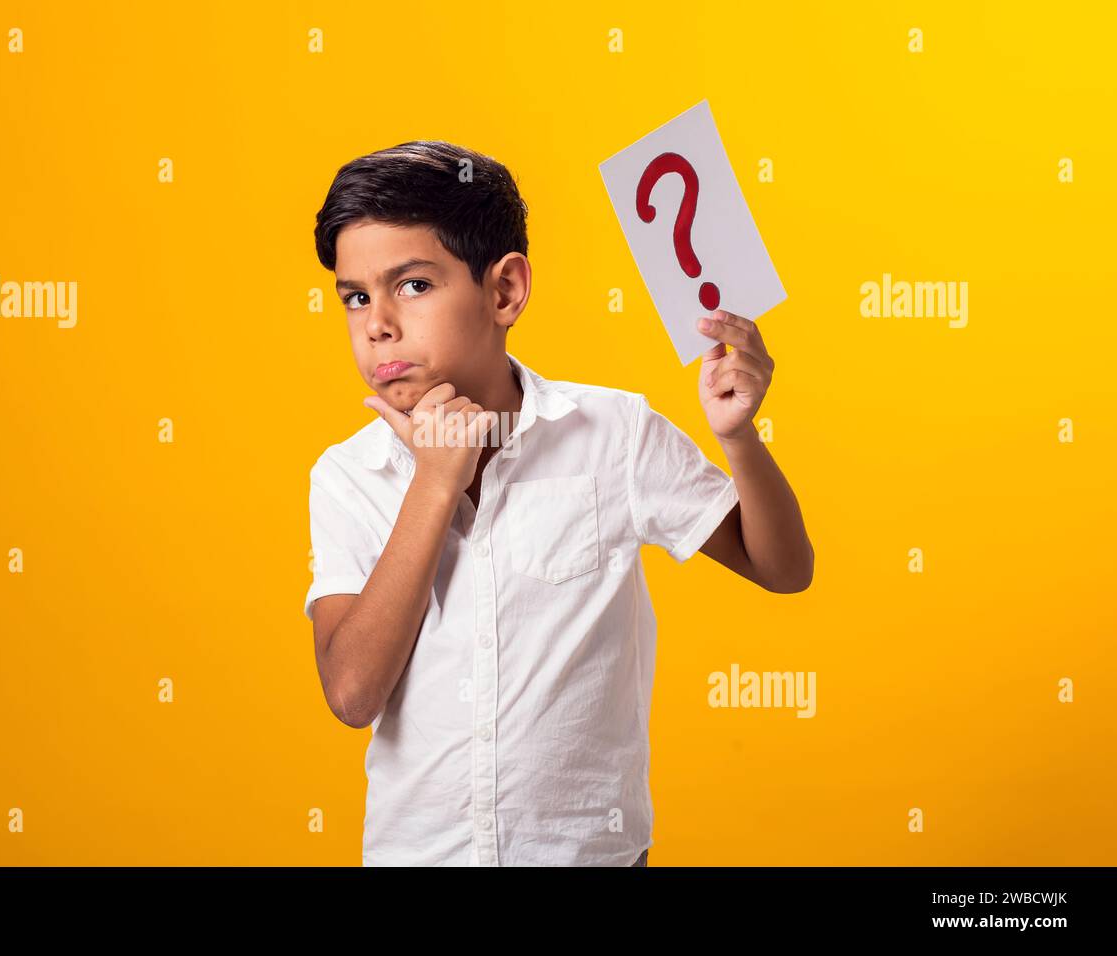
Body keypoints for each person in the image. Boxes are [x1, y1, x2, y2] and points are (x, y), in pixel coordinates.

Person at [304, 141, 814, 866]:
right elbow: (353, 694)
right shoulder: (349, 474)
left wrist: (739, 438)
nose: (377, 323)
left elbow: (783, 567)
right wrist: (433, 481)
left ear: (505, 291)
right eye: (355, 297)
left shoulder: (614, 434)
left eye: (413, 285)